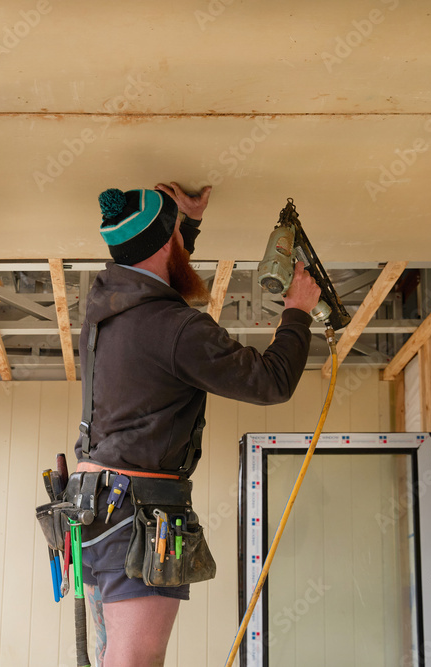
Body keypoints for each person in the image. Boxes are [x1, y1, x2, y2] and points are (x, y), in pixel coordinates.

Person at [74, 181, 322, 666]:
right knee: (135, 660)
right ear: (168, 245)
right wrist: (297, 313)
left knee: (113, 656)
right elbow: (270, 383)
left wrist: (184, 225)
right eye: (180, 241)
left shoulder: (103, 307)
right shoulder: (176, 328)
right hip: (138, 514)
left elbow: (158, 268)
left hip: (95, 506)